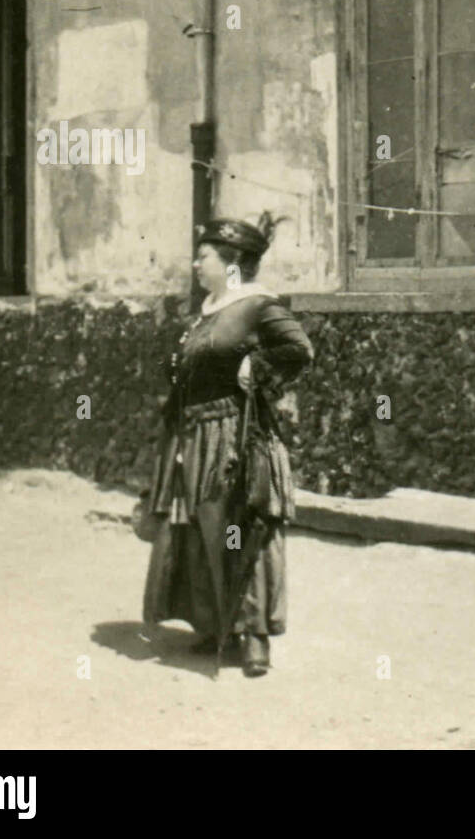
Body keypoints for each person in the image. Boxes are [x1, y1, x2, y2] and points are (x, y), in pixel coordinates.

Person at [142, 213, 313, 677]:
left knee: (244, 527)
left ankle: (254, 636)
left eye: (204, 257)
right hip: (196, 436)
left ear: (231, 263)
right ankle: (216, 624)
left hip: (238, 437)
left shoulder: (256, 306)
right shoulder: (207, 312)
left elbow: (298, 349)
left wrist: (256, 369)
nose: (196, 265)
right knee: (202, 532)